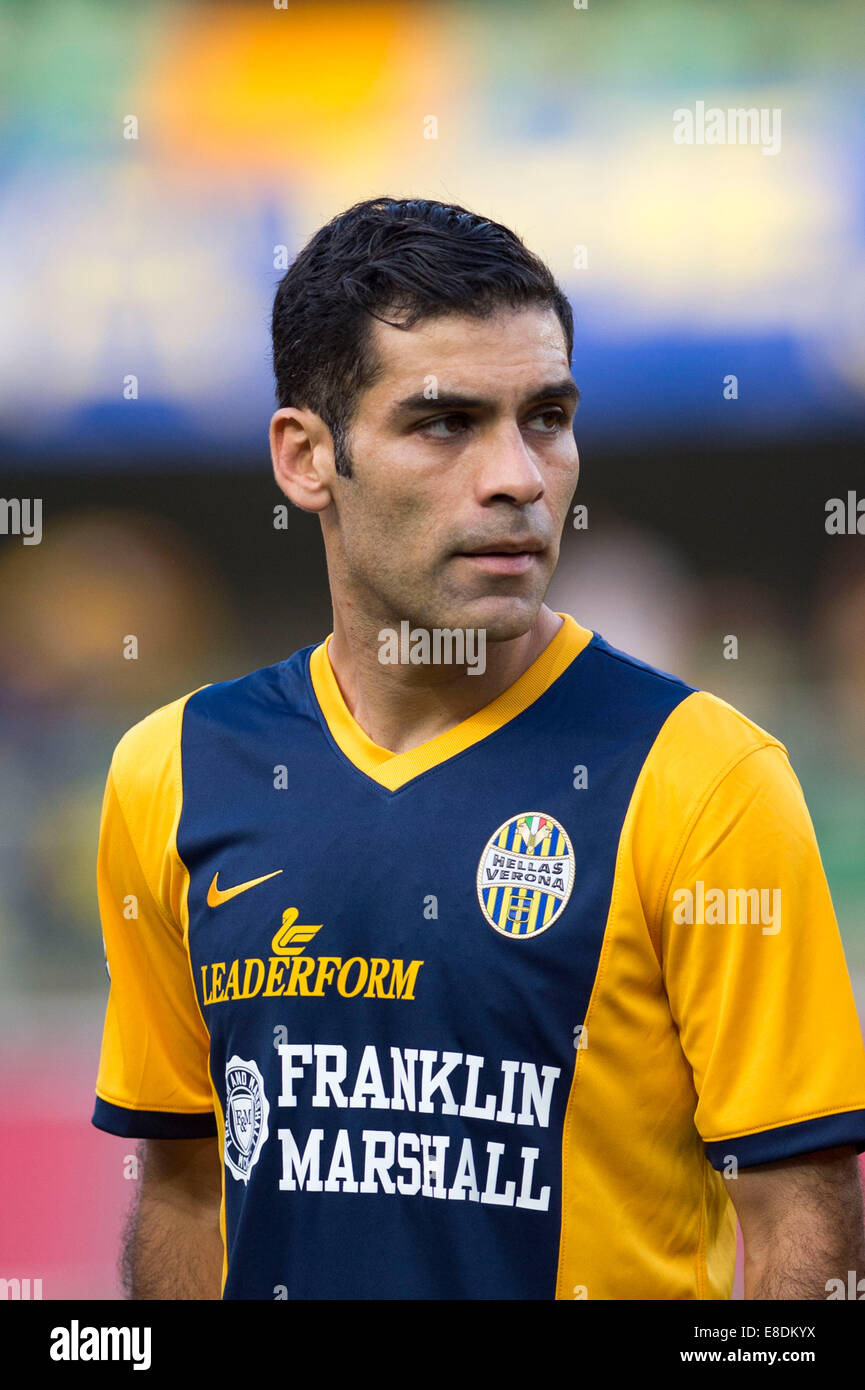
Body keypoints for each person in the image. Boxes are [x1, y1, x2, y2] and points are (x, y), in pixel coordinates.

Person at [92, 196, 865, 1300]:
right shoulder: (173, 770)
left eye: (545, 416)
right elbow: (182, 1184)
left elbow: (801, 1221)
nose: (519, 477)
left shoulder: (707, 780)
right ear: (307, 458)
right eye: (445, 422)